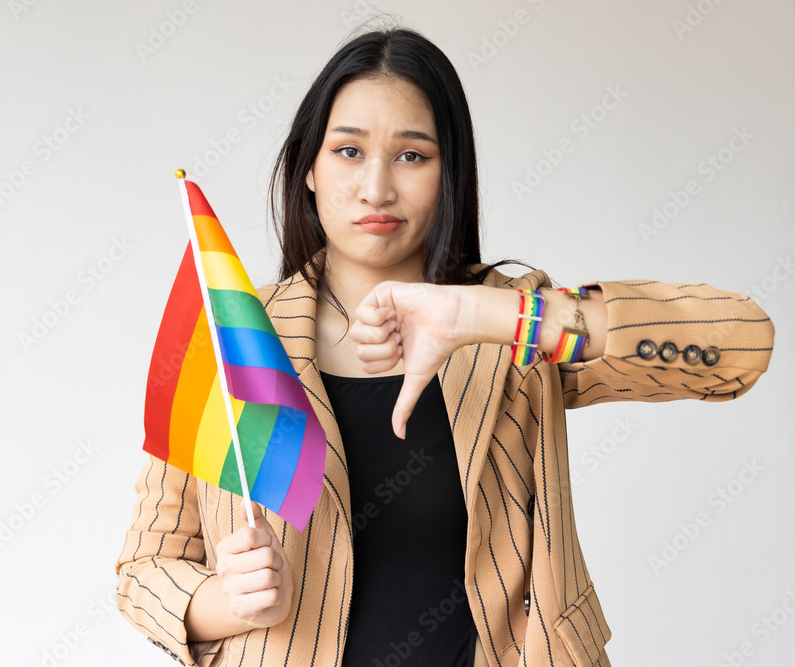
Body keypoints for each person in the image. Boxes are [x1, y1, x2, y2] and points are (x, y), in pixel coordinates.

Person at [115, 26, 775, 667]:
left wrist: (491, 311)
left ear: (448, 172)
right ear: (308, 169)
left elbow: (738, 343)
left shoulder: (509, 329)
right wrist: (221, 600)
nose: (376, 187)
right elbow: (144, 569)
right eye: (348, 151)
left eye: (411, 154)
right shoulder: (230, 337)